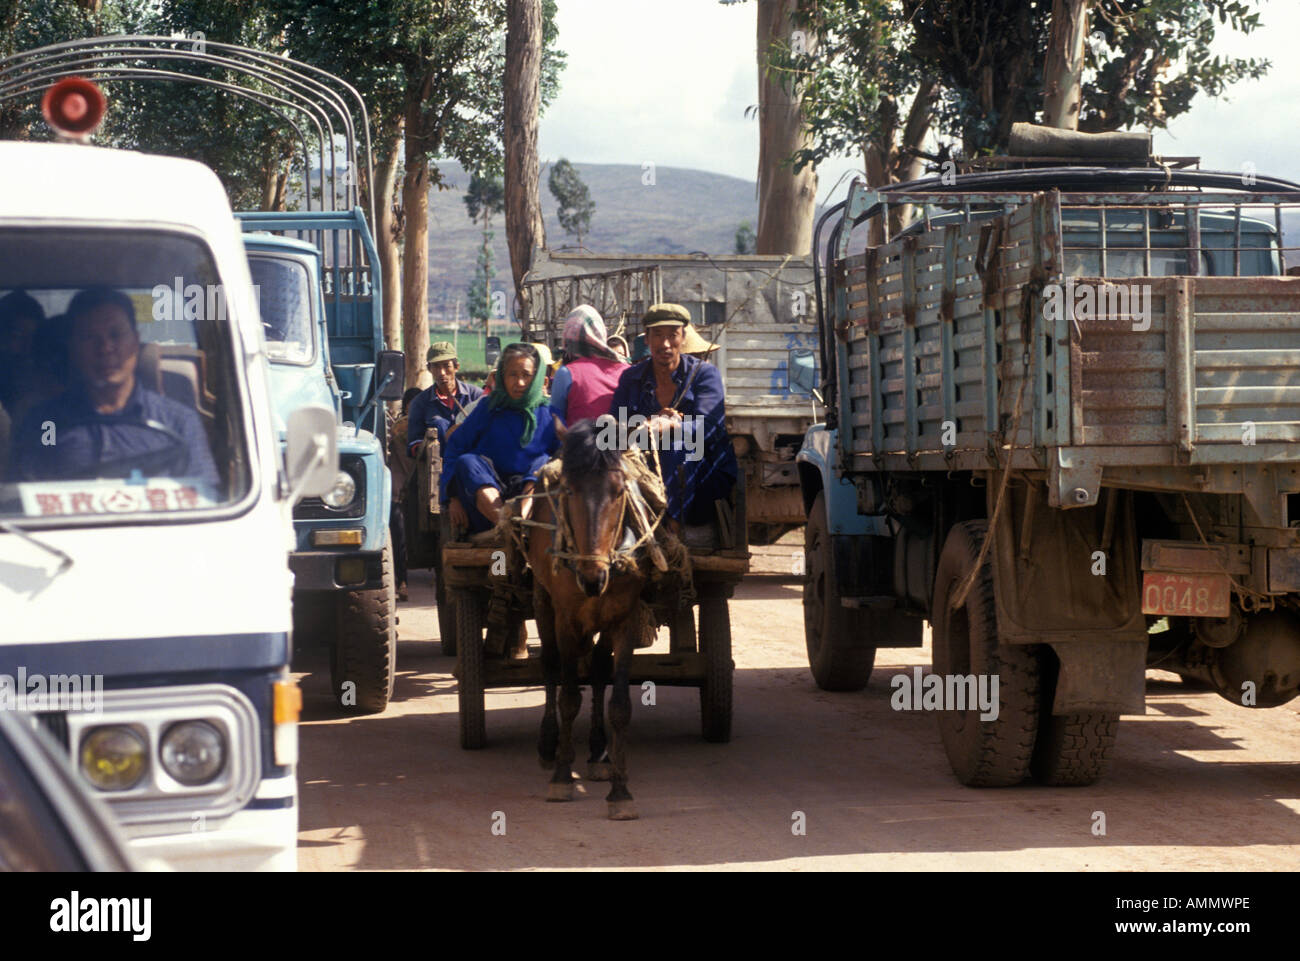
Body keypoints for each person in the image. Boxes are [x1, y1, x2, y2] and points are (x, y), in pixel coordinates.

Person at [12, 287, 220, 489]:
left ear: (136, 342)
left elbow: (205, 500)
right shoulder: (47, 424)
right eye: (90, 337)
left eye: (116, 335)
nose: (105, 348)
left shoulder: (177, 423)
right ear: (73, 348)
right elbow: (23, 498)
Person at [608, 303, 737, 529]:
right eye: (657, 335)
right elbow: (614, 430)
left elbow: (709, 428)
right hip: (641, 468)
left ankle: (672, 530)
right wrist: (648, 425)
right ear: (646, 338)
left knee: (674, 445)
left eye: (673, 335)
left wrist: (671, 425)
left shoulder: (705, 375)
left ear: (683, 337)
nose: (665, 344)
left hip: (704, 473)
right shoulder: (631, 378)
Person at [440, 342, 562, 535]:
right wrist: (452, 499)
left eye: (526, 375)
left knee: (544, 462)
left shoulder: (550, 415)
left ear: (539, 379)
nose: (519, 382)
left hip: (534, 508)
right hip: (485, 504)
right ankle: (508, 528)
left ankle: (521, 523)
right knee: (467, 462)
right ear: (502, 377)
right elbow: (455, 449)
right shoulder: (488, 408)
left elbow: (566, 455)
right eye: (513, 374)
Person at [549, 305, 626, 425]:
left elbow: (555, 423)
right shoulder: (627, 371)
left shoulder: (566, 374)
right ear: (601, 333)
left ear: (567, 337)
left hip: (579, 442)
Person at [406, 341, 482, 456]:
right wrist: (428, 446)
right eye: (436, 366)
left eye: (447, 366)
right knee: (439, 424)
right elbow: (413, 443)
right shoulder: (420, 403)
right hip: (439, 468)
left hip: (471, 462)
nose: (442, 373)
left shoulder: (476, 396)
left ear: (456, 367)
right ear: (429, 369)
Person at [388, 386, 423, 601]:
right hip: (400, 492)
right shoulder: (398, 429)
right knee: (398, 531)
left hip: (427, 492)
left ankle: (499, 580)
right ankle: (401, 580)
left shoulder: (431, 425)